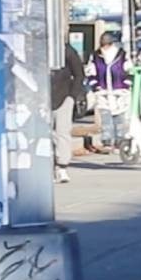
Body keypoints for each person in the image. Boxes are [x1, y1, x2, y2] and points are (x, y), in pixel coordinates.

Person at [88, 32, 131, 155]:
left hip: (119, 90)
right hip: (103, 91)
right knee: (105, 117)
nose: (104, 47)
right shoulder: (96, 56)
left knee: (119, 117)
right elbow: (91, 72)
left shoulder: (122, 55)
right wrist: (95, 86)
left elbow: (128, 70)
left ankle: (120, 142)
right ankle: (107, 142)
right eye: (103, 45)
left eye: (106, 45)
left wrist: (126, 85)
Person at [49, 45, 87, 183]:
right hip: (40, 98)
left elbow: (79, 74)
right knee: (43, 135)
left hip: (64, 96)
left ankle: (62, 167)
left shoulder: (65, 50)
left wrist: (72, 95)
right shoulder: (35, 48)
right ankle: (47, 165)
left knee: (62, 132)